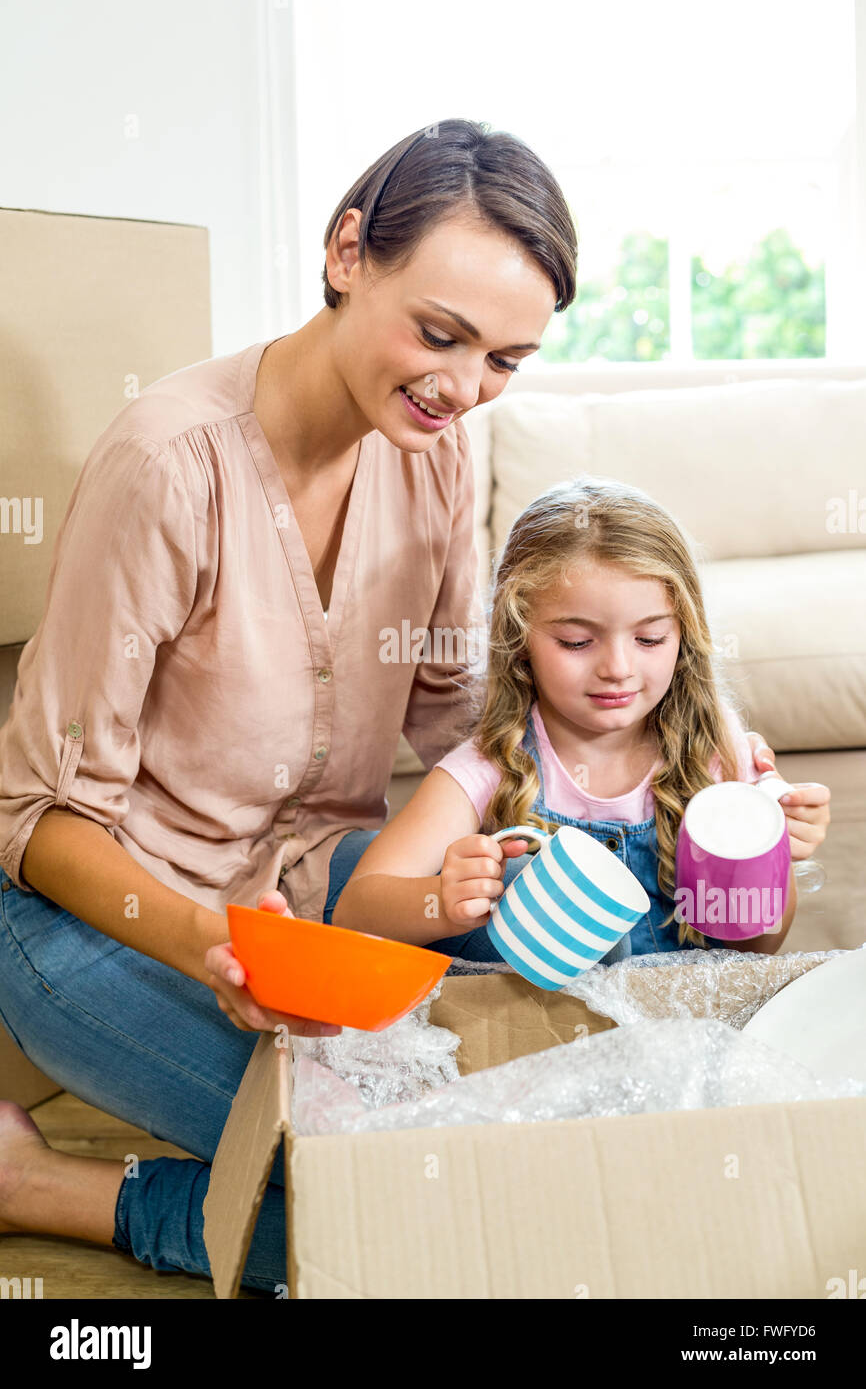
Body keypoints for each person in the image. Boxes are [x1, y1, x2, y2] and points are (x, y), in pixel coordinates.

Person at [0, 119, 780, 1294]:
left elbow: (462, 714)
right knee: (421, 1205)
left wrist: (688, 753)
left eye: (504, 361)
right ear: (347, 250)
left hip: (316, 889)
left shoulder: (429, 448)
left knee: (615, 1060)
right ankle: (58, 1191)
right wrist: (213, 944)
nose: (462, 389)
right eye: (439, 333)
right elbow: (32, 820)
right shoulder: (170, 467)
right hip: (110, 923)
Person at [330, 477, 831, 960]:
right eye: (576, 642)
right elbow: (355, 910)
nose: (617, 669)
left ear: (684, 636)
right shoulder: (490, 766)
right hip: (548, 1029)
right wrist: (441, 900)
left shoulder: (715, 753)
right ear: (520, 638)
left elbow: (756, 949)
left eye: (649, 639)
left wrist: (772, 855)